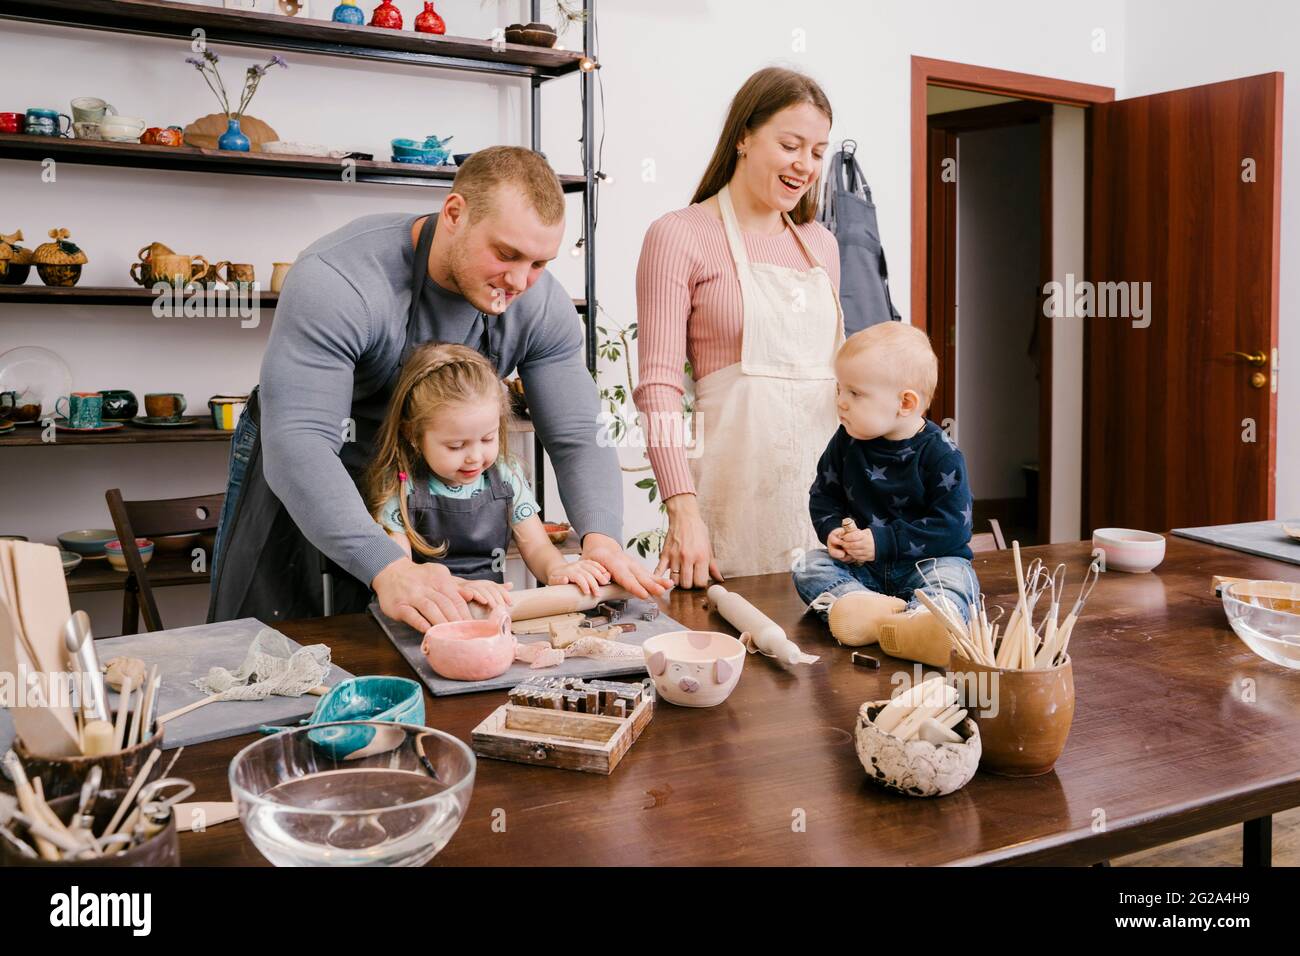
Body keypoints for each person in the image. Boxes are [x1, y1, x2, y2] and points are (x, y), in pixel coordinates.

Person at [210, 146, 667, 633]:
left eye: (538, 263)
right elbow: (299, 441)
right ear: (454, 213)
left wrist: (601, 540)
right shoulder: (338, 281)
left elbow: (576, 433)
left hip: (433, 485)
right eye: (506, 254)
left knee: (418, 646)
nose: (518, 281)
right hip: (318, 471)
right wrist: (388, 566)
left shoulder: (539, 304)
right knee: (276, 650)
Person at [633, 66, 842, 587]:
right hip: (730, 510)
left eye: (818, 152)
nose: (805, 165)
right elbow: (658, 388)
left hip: (830, 513)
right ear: (744, 136)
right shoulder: (679, 235)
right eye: (791, 145)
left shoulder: (820, 245)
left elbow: (841, 383)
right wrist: (683, 511)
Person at [364, 342, 612, 604]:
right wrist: (455, 586)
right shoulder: (401, 486)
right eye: (456, 446)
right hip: (424, 612)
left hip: (489, 614)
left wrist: (558, 569)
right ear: (413, 435)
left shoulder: (506, 477)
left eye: (487, 439)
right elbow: (401, 572)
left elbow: (538, 547)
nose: (475, 457)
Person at [791, 322, 979, 662]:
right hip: (864, 573)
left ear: (905, 403)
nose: (840, 403)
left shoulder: (941, 454)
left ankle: (927, 622)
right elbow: (824, 495)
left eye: (855, 393)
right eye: (839, 390)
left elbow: (953, 527)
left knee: (954, 576)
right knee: (809, 565)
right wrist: (832, 530)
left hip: (924, 564)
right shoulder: (846, 441)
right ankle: (868, 610)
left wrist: (883, 542)